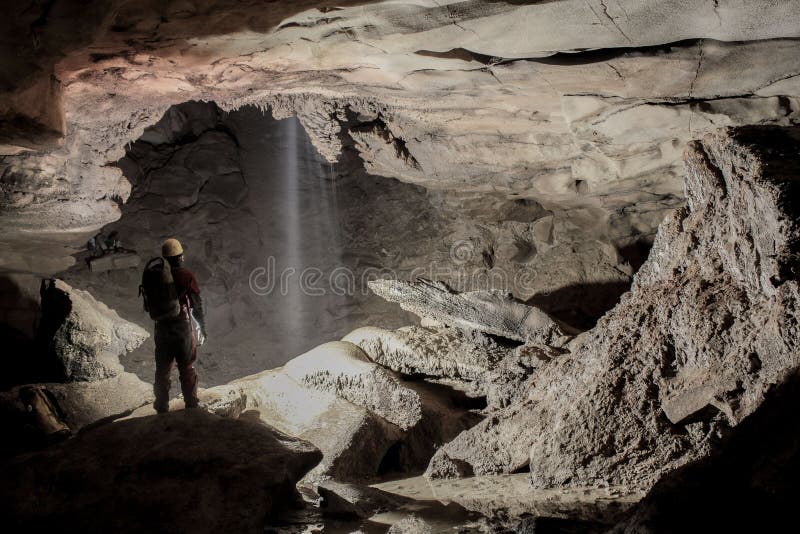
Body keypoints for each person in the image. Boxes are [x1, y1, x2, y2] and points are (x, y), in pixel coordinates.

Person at [153, 238, 207, 413]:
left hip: (161, 327)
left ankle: (161, 406)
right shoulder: (186, 276)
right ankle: (191, 404)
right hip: (181, 327)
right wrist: (202, 327)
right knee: (186, 366)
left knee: (162, 368)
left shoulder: (155, 275)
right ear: (180, 257)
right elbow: (196, 304)